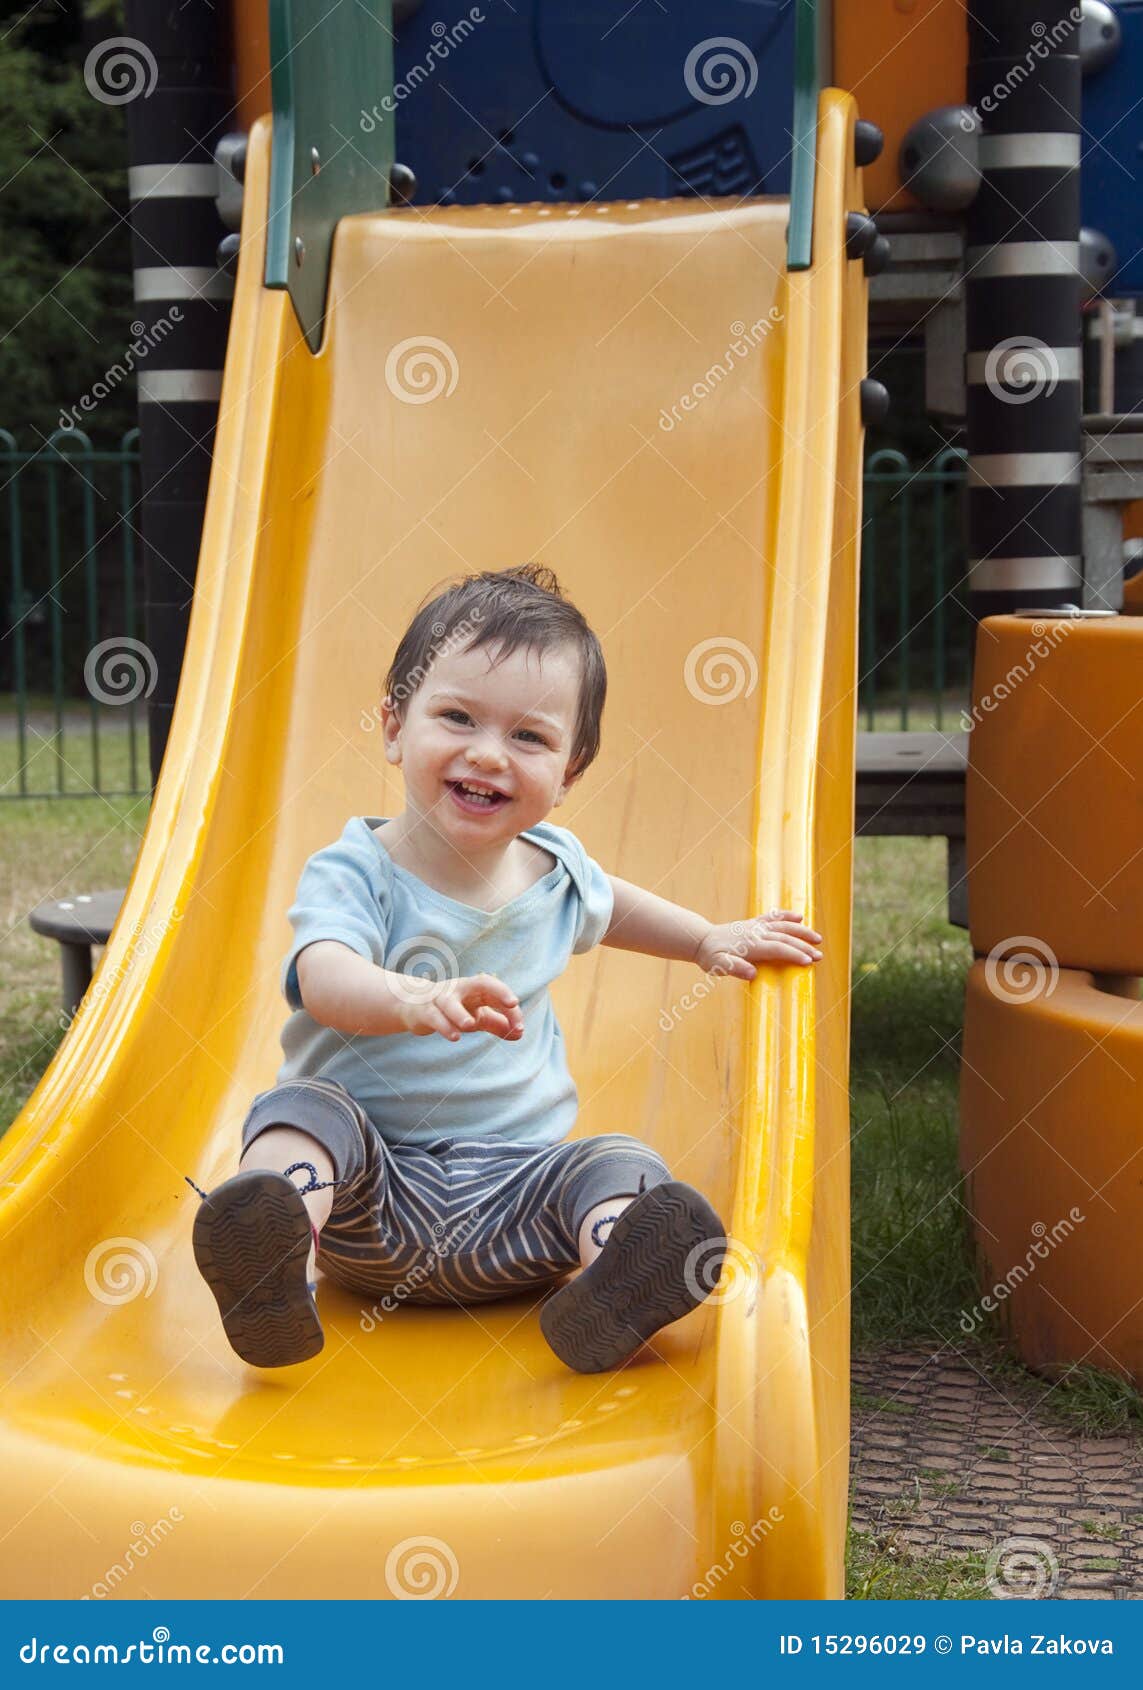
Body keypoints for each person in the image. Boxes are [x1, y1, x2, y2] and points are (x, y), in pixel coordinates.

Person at [187, 564, 822, 1372]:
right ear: (393, 727)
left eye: (529, 738)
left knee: (616, 1162)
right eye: (456, 717)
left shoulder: (557, 869)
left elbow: (613, 908)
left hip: (520, 1209)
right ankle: (275, 1254)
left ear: (569, 772)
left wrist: (703, 940)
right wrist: (414, 999)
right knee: (303, 1109)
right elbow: (326, 978)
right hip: (366, 1201)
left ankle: (613, 1283)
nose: (488, 754)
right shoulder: (356, 869)